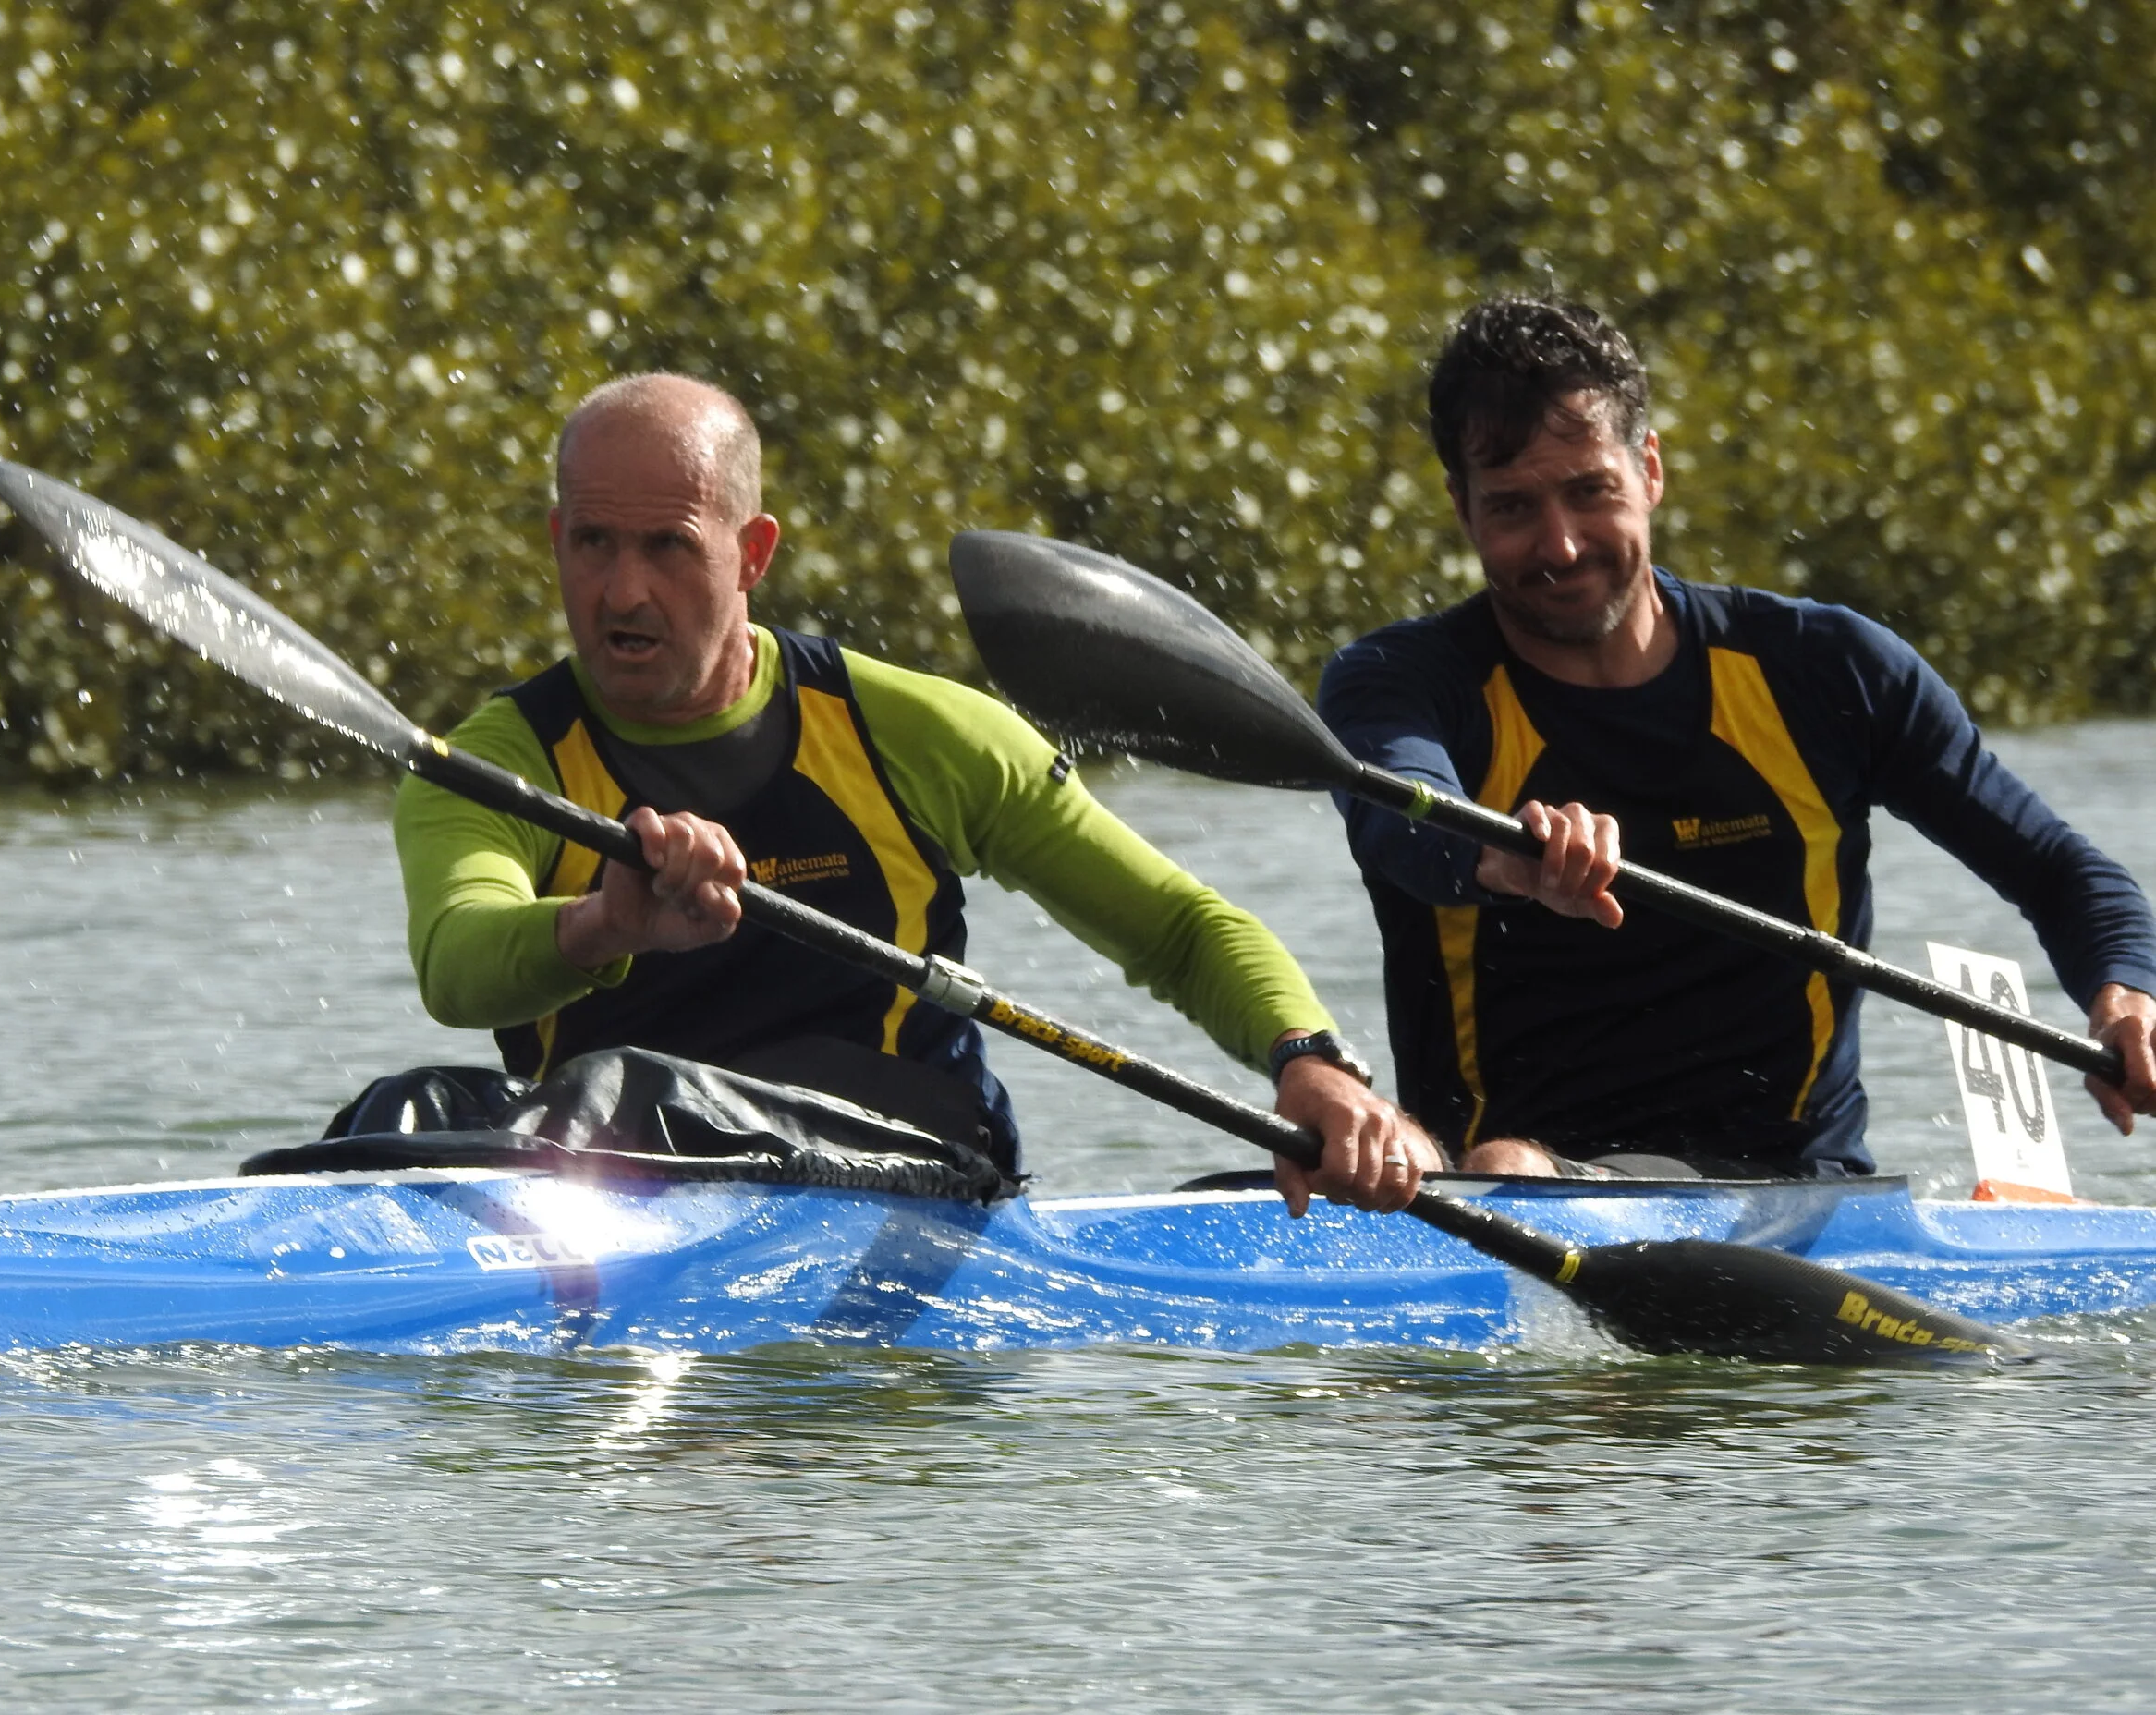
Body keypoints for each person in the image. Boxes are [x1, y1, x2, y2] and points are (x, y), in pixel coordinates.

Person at [394, 372, 1438, 1213]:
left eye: (668, 546)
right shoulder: (497, 761)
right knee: (407, 1109)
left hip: (908, 1166)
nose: (623, 590)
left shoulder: (915, 733)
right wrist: (607, 922)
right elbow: (458, 963)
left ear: (751, 555)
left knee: (621, 1090)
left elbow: (1176, 929)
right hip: (599, 1162)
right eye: (594, 544)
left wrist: (1312, 1065)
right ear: (554, 540)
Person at [1317, 295, 2156, 1179]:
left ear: (1649, 469)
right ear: (1462, 508)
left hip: (1803, 1197)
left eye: (1588, 491)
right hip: (1508, 1188)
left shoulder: (1827, 671)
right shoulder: (1399, 683)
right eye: (1514, 508)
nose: (1560, 545)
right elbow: (1401, 815)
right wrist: (1506, 857)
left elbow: (2060, 870)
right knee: (1509, 1164)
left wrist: (2126, 998)